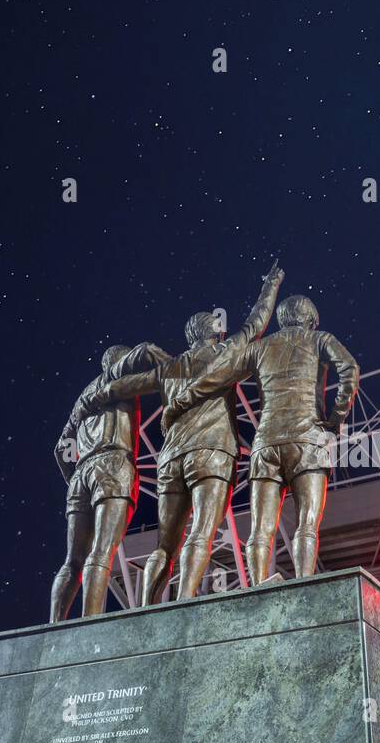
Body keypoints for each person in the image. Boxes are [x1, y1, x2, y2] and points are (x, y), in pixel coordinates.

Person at [76, 265, 283, 602]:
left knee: (165, 545)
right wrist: (271, 284)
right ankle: (185, 600)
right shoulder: (224, 354)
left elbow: (123, 386)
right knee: (201, 529)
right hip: (211, 453)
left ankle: (144, 610)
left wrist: (93, 398)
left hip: (170, 460)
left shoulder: (168, 368)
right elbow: (257, 323)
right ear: (213, 332)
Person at [162, 293, 358, 583]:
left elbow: (217, 376)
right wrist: (334, 419)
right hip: (308, 441)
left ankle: (258, 587)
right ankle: (304, 583)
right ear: (311, 321)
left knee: (261, 529)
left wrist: (178, 403)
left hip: (265, 444)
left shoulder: (260, 347)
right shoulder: (320, 339)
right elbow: (350, 370)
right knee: (306, 524)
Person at [50, 345, 140, 620]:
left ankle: (54, 624)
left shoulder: (83, 397)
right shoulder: (121, 383)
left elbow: (60, 448)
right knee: (102, 550)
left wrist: (73, 481)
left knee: (72, 560)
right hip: (112, 465)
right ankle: (90, 623)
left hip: (81, 473)